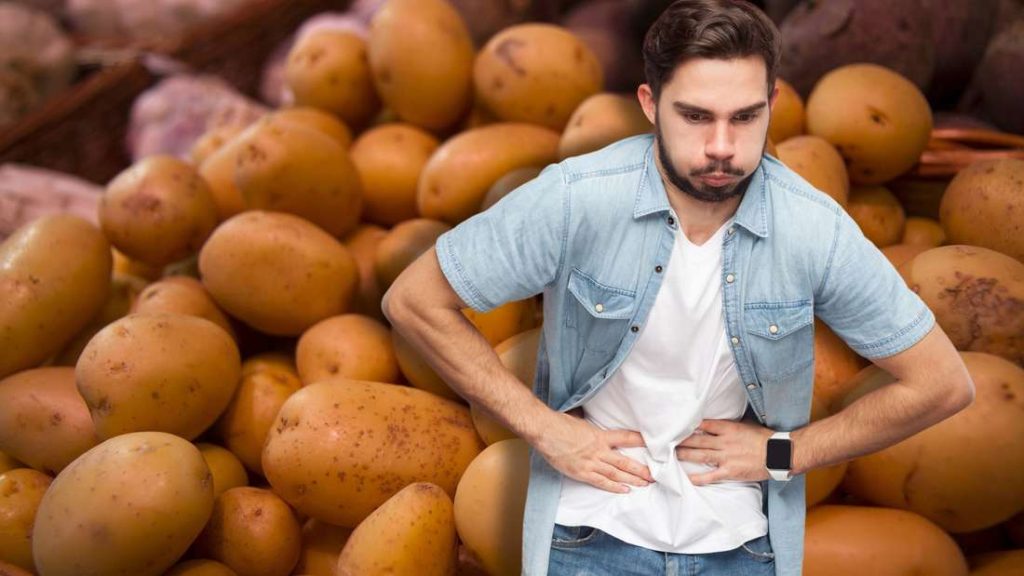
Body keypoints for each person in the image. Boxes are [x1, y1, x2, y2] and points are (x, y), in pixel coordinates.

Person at [381, 1, 975, 574]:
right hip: (592, 534)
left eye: (744, 117)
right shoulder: (579, 196)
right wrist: (544, 429)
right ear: (649, 103)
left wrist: (783, 454)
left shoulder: (812, 228)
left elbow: (942, 384)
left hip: (742, 545)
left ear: (771, 105)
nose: (721, 146)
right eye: (695, 116)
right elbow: (413, 300)